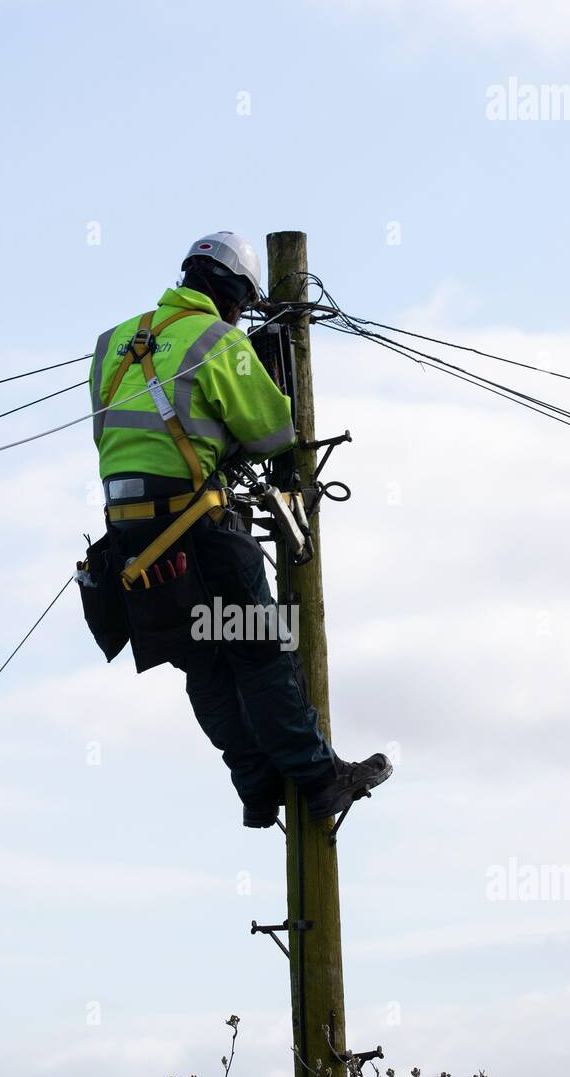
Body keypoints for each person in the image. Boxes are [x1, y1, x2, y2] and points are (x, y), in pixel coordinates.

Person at [89, 231, 391, 827]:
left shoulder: (112, 341)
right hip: (196, 530)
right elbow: (274, 432)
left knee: (203, 661)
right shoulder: (217, 339)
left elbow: (114, 433)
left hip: (132, 543)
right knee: (261, 651)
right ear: (234, 295)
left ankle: (257, 789)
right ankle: (319, 778)